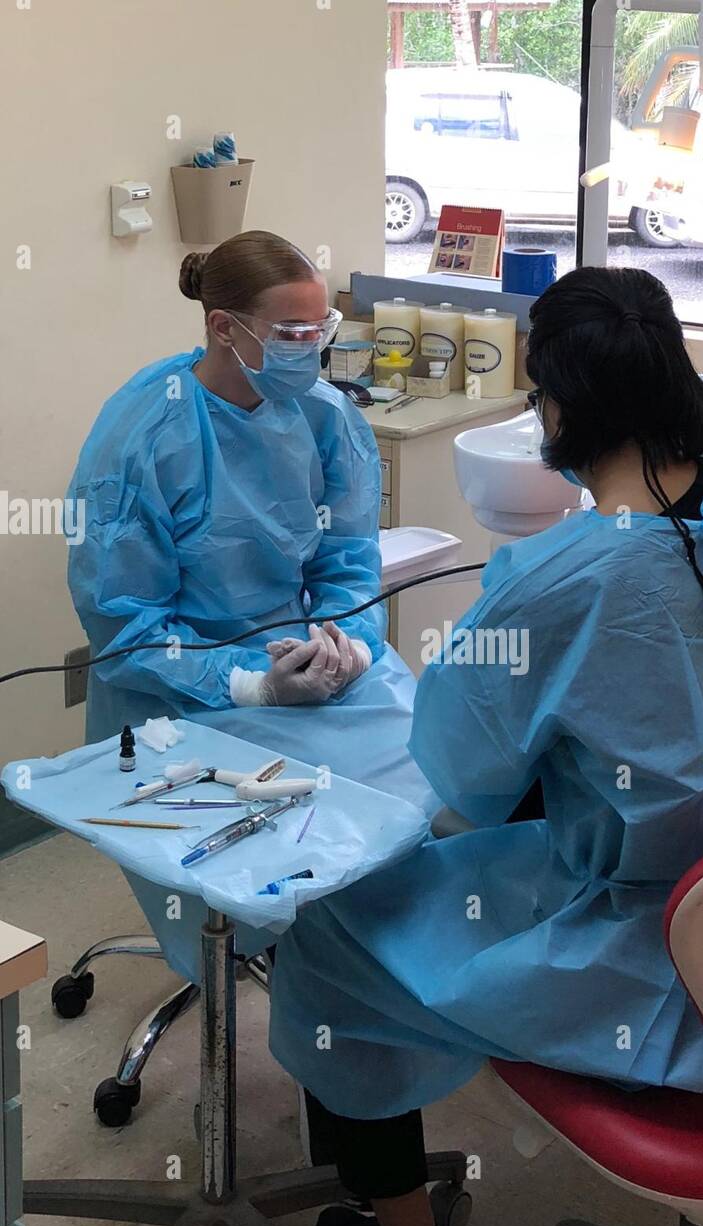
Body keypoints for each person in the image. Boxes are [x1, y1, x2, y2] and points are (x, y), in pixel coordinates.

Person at [268, 266, 703, 1226]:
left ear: (552, 409)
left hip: (658, 965)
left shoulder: (552, 580)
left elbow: (467, 782)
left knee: (330, 929)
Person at [67, 230, 438, 979]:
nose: (311, 350)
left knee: (434, 774)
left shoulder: (326, 417)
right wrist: (249, 684)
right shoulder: (144, 436)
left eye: (319, 332)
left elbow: (348, 562)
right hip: (177, 696)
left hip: (309, 662)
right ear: (222, 328)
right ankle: (320, 979)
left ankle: (383, 975)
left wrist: (350, 643)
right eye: (292, 335)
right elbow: (125, 623)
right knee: (296, 848)